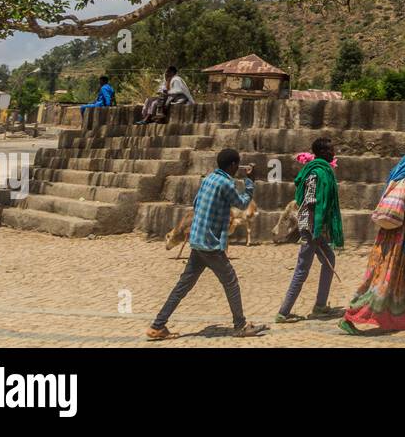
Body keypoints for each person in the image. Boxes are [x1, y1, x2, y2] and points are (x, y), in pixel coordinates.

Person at [147, 148, 265, 340]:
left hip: (197, 240)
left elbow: (195, 203)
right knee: (231, 282)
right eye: (237, 165)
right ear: (234, 165)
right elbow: (243, 204)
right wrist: (250, 181)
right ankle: (240, 325)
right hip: (211, 244)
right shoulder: (226, 183)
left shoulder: (208, 179)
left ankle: (157, 325)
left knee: (183, 285)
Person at [338, 152, 405, 333]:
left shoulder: (393, 181)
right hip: (401, 240)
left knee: (382, 278)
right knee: (387, 282)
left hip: (385, 239)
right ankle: (352, 315)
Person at [276, 137, 344, 323]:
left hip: (314, 227)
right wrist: (318, 225)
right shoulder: (317, 172)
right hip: (312, 227)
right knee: (302, 269)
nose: (333, 153)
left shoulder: (319, 169)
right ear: (322, 152)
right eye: (330, 150)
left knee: (329, 259)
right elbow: (311, 200)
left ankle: (320, 305)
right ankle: (283, 312)